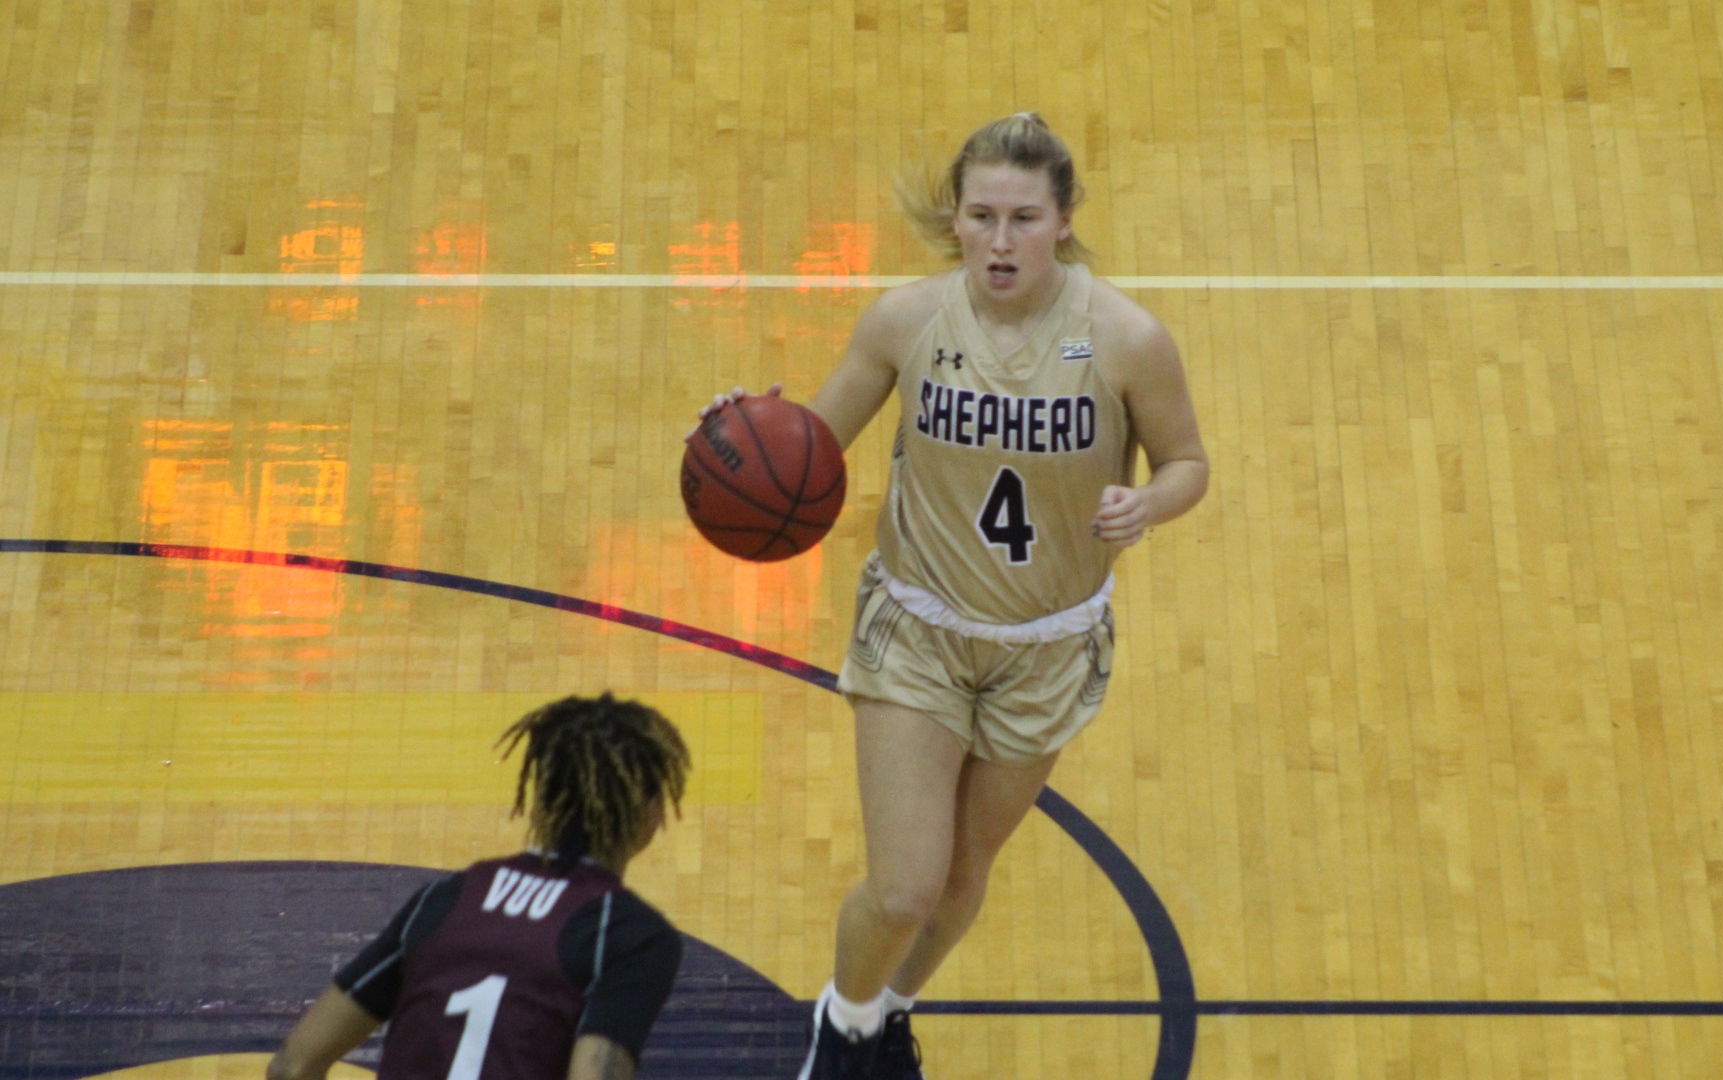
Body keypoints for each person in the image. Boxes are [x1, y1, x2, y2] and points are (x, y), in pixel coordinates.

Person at [703, 112, 1209, 1079]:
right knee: (903, 887)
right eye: (982, 216)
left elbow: (1189, 460)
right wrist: (737, 439)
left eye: (1025, 217)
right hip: (919, 632)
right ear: (957, 220)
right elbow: (805, 447)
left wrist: (1150, 502)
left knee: (960, 880)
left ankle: (892, 1006)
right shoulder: (905, 322)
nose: (1002, 240)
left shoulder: (1129, 340)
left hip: (1051, 645)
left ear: (1065, 220)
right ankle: (843, 1028)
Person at [266, 694, 692, 1080]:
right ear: (652, 813)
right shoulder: (626, 934)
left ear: (540, 796)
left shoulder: (449, 898)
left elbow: (292, 1067)